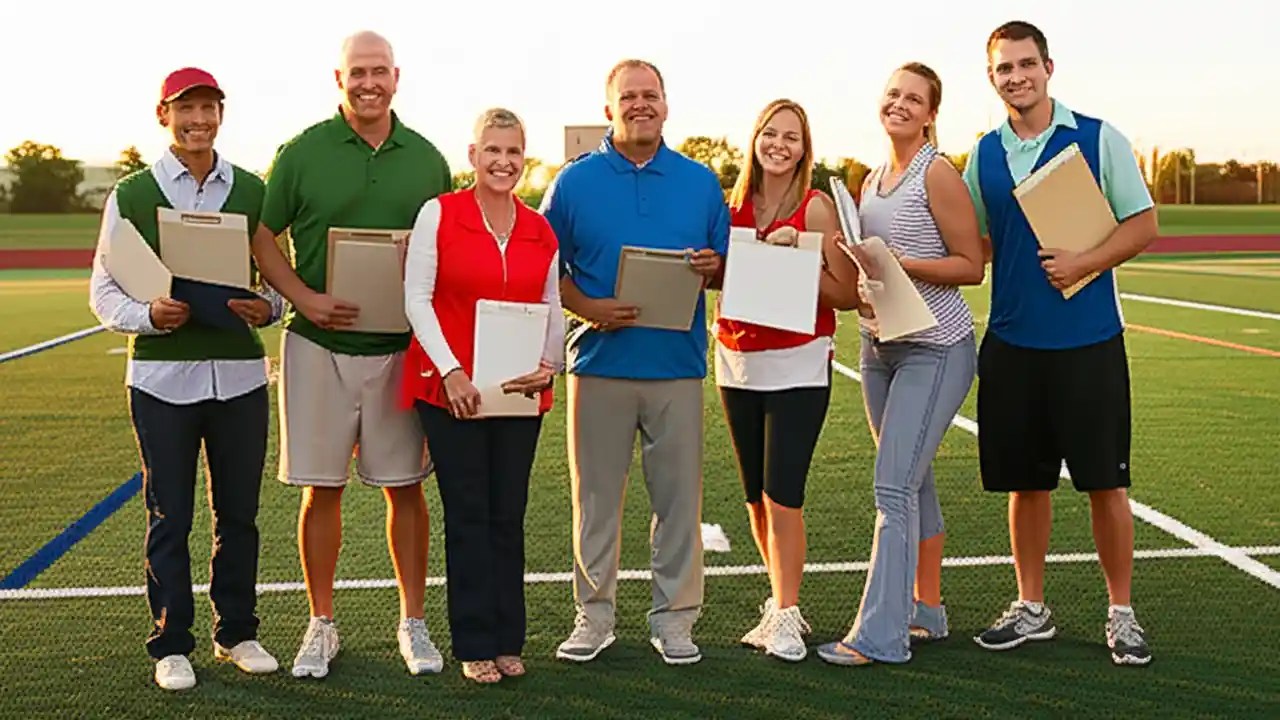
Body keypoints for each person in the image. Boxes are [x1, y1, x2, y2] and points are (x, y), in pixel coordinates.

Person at [248, 30, 453, 679]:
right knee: (323, 488)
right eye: (356, 73)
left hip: (399, 350)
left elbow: (445, 248)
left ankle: (413, 623)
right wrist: (303, 297)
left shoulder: (426, 158)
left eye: (379, 72)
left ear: (397, 77)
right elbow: (260, 233)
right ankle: (321, 624)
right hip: (318, 345)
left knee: (406, 490)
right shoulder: (303, 152)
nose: (368, 83)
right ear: (339, 80)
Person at [962, 21, 1156, 666]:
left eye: (1025, 64)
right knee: (1026, 484)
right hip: (1013, 343)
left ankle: (1121, 613)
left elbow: (1144, 222)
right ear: (992, 79)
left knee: (1106, 484)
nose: (1015, 77)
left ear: (1049, 67)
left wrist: (1086, 262)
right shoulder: (983, 154)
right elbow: (980, 247)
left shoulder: (1099, 139)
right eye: (1003, 69)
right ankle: (1031, 607)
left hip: (1089, 340)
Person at [88, 67, 282, 691]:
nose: (199, 120)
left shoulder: (252, 189)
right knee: (169, 514)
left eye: (209, 109)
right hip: (161, 379)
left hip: (241, 379)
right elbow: (103, 290)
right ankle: (171, 642)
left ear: (221, 115)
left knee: (240, 515)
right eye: (186, 110)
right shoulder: (134, 194)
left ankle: (238, 633)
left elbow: (282, 281)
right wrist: (147, 315)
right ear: (163, 115)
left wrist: (269, 309)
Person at [542, 58, 729, 666]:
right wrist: (590, 308)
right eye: (629, 97)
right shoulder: (572, 182)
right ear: (609, 109)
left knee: (678, 502)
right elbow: (547, 274)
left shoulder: (700, 181)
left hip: (676, 365)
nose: (640, 105)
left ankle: (675, 620)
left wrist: (712, 268)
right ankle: (593, 618)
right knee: (595, 502)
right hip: (598, 364)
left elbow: (726, 267)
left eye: (651, 96)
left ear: (667, 105)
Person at [817, 62, 984, 667]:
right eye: (893, 94)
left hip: (935, 348)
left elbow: (970, 265)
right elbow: (878, 267)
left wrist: (899, 262)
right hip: (879, 348)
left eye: (915, 99)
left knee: (892, 488)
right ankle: (925, 613)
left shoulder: (936, 173)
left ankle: (879, 637)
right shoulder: (870, 178)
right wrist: (868, 276)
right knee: (914, 481)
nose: (901, 105)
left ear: (931, 113)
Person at [400, 108, 564, 684]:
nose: (503, 162)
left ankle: (507, 638)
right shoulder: (439, 214)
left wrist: (551, 363)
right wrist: (451, 372)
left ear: (525, 157)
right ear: (472, 156)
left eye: (513, 152)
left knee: (507, 515)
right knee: (468, 512)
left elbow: (550, 303)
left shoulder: (540, 229)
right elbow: (417, 299)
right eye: (492, 151)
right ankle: (473, 641)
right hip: (453, 393)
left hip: (518, 393)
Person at [711, 99, 859, 662]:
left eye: (790, 137)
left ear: (804, 147)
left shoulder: (816, 208)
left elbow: (845, 292)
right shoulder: (732, 206)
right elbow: (724, 278)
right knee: (753, 497)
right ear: (754, 140)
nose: (778, 144)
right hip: (736, 360)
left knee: (783, 494)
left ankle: (789, 615)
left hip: (798, 361)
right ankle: (779, 603)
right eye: (769, 134)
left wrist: (798, 254)